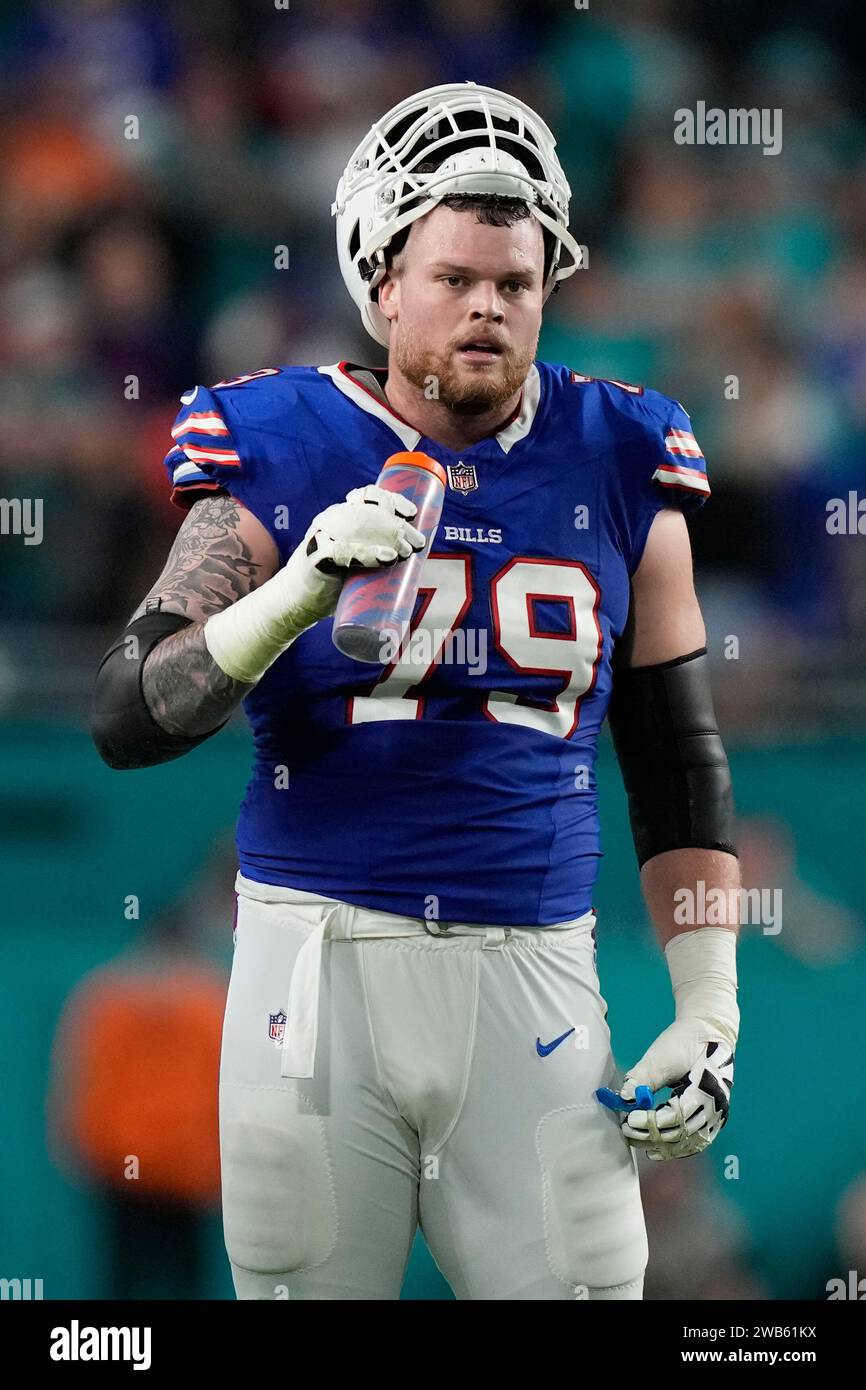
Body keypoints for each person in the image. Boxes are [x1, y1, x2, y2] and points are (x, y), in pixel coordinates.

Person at [91, 82, 740, 1301]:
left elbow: (675, 761)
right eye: (455, 278)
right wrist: (293, 592)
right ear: (383, 280)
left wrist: (710, 1010)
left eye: (516, 280)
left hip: (536, 976)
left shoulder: (622, 453)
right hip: (314, 974)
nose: (489, 306)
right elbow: (128, 715)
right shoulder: (275, 443)